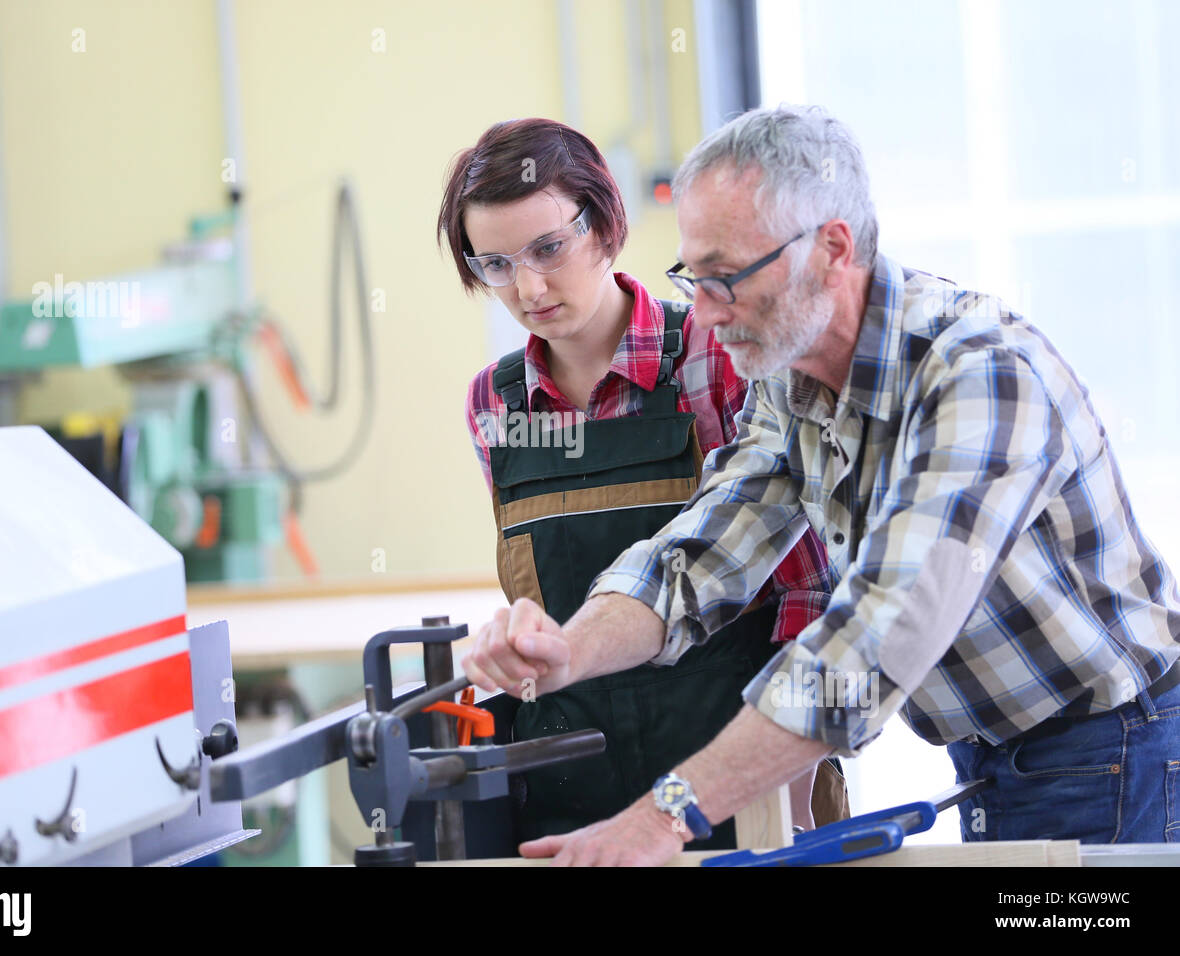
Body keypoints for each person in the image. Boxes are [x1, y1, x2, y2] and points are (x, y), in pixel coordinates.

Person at [461, 104, 1180, 866]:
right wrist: (568, 652)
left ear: (831, 250)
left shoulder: (980, 378)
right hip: (992, 757)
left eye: (725, 278)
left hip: (1117, 752)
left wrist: (663, 815)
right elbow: (698, 556)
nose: (701, 311)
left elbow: (869, 648)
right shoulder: (790, 381)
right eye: (691, 278)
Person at [437, 118, 843, 848]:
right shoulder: (494, 406)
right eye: (495, 264)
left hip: (730, 790)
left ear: (604, 225)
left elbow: (806, 592)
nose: (528, 287)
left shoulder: (718, 358)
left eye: (549, 248)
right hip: (573, 792)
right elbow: (535, 599)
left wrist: (790, 793)